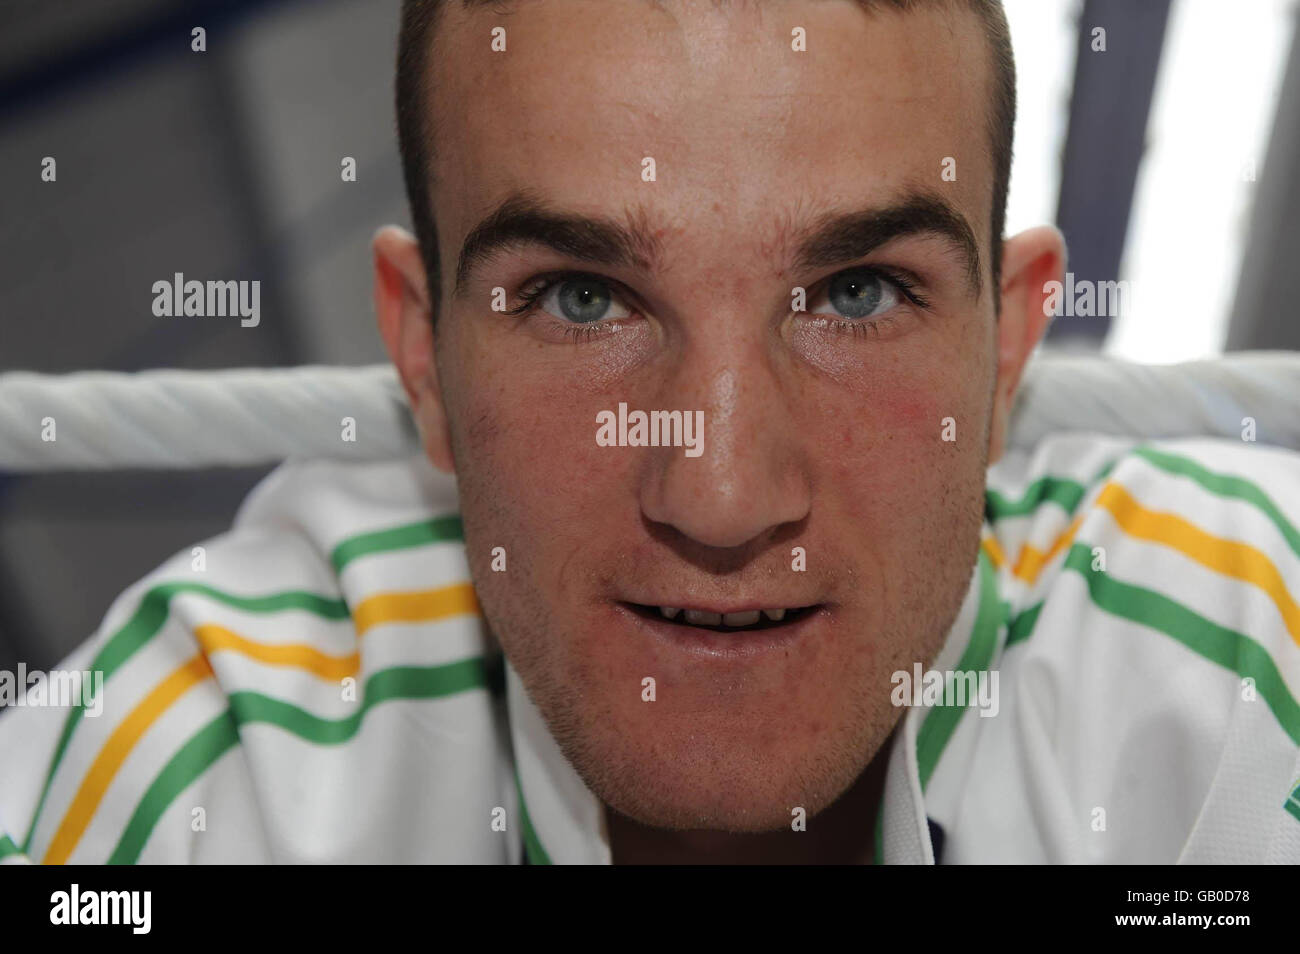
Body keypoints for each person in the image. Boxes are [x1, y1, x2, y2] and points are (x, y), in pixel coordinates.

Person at [2, 0, 1298, 865]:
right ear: (423, 356)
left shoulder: (1240, 658)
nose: (724, 495)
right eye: (583, 299)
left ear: (1008, 346)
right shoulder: (220, 769)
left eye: (857, 294)